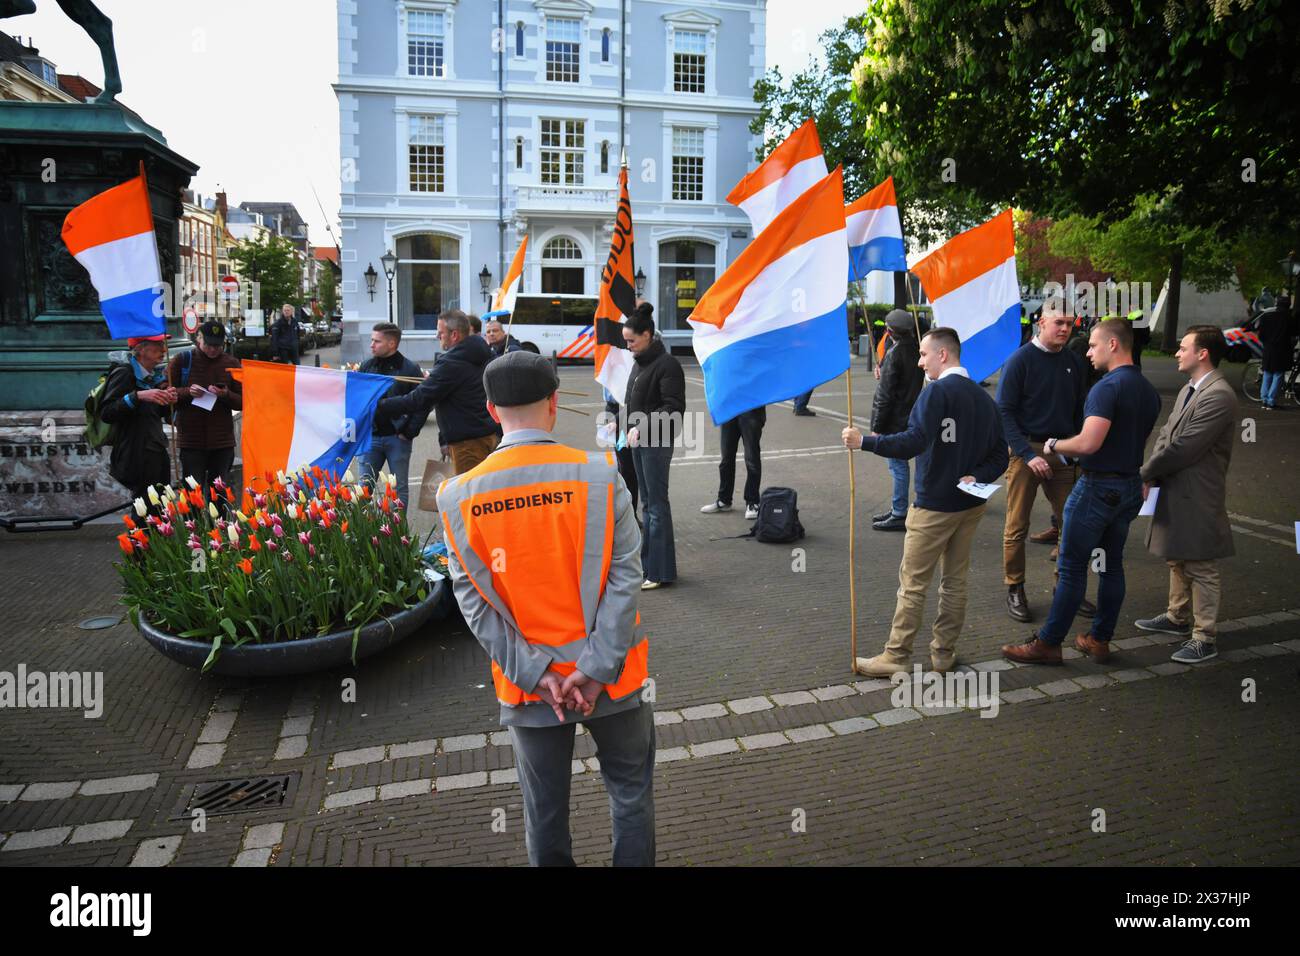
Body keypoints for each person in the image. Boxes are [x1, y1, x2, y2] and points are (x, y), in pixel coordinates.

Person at [436, 350, 655, 867]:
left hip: (530, 687)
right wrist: (597, 667)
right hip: (615, 677)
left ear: (491, 410)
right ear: (554, 402)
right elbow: (626, 575)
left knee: (544, 814)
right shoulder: (600, 475)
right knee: (630, 796)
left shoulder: (456, 496)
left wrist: (536, 674)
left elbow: (473, 603)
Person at [842, 327, 1008, 676]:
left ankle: (896, 656)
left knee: (913, 584)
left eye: (923, 354)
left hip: (934, 506)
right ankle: (943, 654)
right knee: (955, 581)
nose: (920, 362)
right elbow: (999, 456)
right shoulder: (984, 398)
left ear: (943, 355)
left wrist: (866, 441)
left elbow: (914, 441)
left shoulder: (936, 394)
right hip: (970, 506)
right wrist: (977, 476)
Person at [1002, 318, 1161, 665]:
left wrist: (1057, 444)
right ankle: (1099, 639)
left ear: (1114, 345)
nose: (1087, 351)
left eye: (1093, 345)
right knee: (1111, 566)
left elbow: (1089, 442)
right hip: (1128, 485)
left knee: (1072, 567)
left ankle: (1048, 643)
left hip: (1097, 487)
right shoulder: (1147, 390)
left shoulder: (1106, 388)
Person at [1134, 326, 1239, 663]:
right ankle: (1177, 617)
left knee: (1201, 562)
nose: (1177, 353)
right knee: (1177, 555)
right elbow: (1167, 434)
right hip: (1175, 486)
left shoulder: (1218, 395)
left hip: (1197, 492)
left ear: (1202, 353)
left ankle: (1204, 636)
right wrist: (1153, 471)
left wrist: (1145, 472)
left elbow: (1184, 448)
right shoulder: (1189, 389)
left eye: (1183, 348)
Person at [996, 303, 1093, 623]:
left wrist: (1078, 445)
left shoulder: (1073, 362)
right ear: (1041, 323)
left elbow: (1080, 406)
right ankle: (1015, 588)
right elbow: (1004, 412)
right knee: (1016, 525)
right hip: (1027, 448)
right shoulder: (1019, 360)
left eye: (1070, 324)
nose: (1066, 329)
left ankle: (1064, 589)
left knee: (1073, 524)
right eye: (1059, 323)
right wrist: (1026, 454)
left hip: (1064, 449)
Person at [377, 309, 498, 475]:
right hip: (486, 434)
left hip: (467, 443)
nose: (437, 336)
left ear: (454, 335)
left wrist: (379, 404)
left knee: (470, 495)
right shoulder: (482, 352)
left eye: (440, 332)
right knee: (483, 490)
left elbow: (418, 399)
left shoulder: (452, 362)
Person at [623, 302, 685, 590]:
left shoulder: (667, 364)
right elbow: (631, 401)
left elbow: (673, 407)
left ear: (647, 335)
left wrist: (641, 426)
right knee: (647, 504)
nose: (628, 346)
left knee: (656, 505)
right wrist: (618, 423)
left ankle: (659, 572)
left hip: (656, 442)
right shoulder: (640, 362)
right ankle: (650, 567)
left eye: (631, 340)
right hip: (637, 440)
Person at [167, 320, 242, 501]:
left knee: (219, 493)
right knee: (193, 493)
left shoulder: (232, 364)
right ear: (198, 339)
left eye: (217, 345)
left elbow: (243, 401)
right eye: (208, 344)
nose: (213, 350)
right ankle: (194, 527)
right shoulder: (182, 360)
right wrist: (187, 392)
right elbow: (166, 390)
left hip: (222, 442)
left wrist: (225, 395)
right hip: (191, 440)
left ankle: (220, 527)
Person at [99, 334, 176, 505]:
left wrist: (167, 400)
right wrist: (138, 396)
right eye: (157, 345)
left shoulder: (152, 376)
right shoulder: (124, 373)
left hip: (154, 448)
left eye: (163, 345)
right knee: (146, 509)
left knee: (158, 507)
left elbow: (155, 413)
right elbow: (107, 412)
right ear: (140, 349)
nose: (163, 350)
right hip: (136, 452)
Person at [868, 309, 924, 532]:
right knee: (899, 466)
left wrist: (877, 428)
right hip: (910, 413)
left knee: (897, 467)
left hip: (894, 419)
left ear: (889, 332)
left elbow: (885, 395)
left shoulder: (895, 353)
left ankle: (899, 512)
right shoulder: (915, 349)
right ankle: (897, 508)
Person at [358, 323, 424, 508]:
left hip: (398, 439)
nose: (371, 344)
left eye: (376, 341)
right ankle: (362, 533)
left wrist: (409, 431)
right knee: (363, 489)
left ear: (392, 343)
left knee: (399, 489)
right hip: (370, 438)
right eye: (372, 340)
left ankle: (398, 534)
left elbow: (422, 404)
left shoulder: (410, 369)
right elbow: (357, 399)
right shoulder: (366, 366)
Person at [700, 406, 765, 520]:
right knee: (726, 459)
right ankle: (724, 500)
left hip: (751, 408)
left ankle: (753, 502)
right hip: (730, 409)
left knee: (751, 460)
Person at [1257, 296, 1293, 410]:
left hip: (1269, 349)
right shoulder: (1288, 318)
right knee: (1278, 375)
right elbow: (1293, 333)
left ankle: (1264, 400)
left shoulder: (1267, 316)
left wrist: (1267, 343)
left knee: (1267, 373)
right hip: (1282, 350)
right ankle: (1271, 401)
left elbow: (1261, 334)